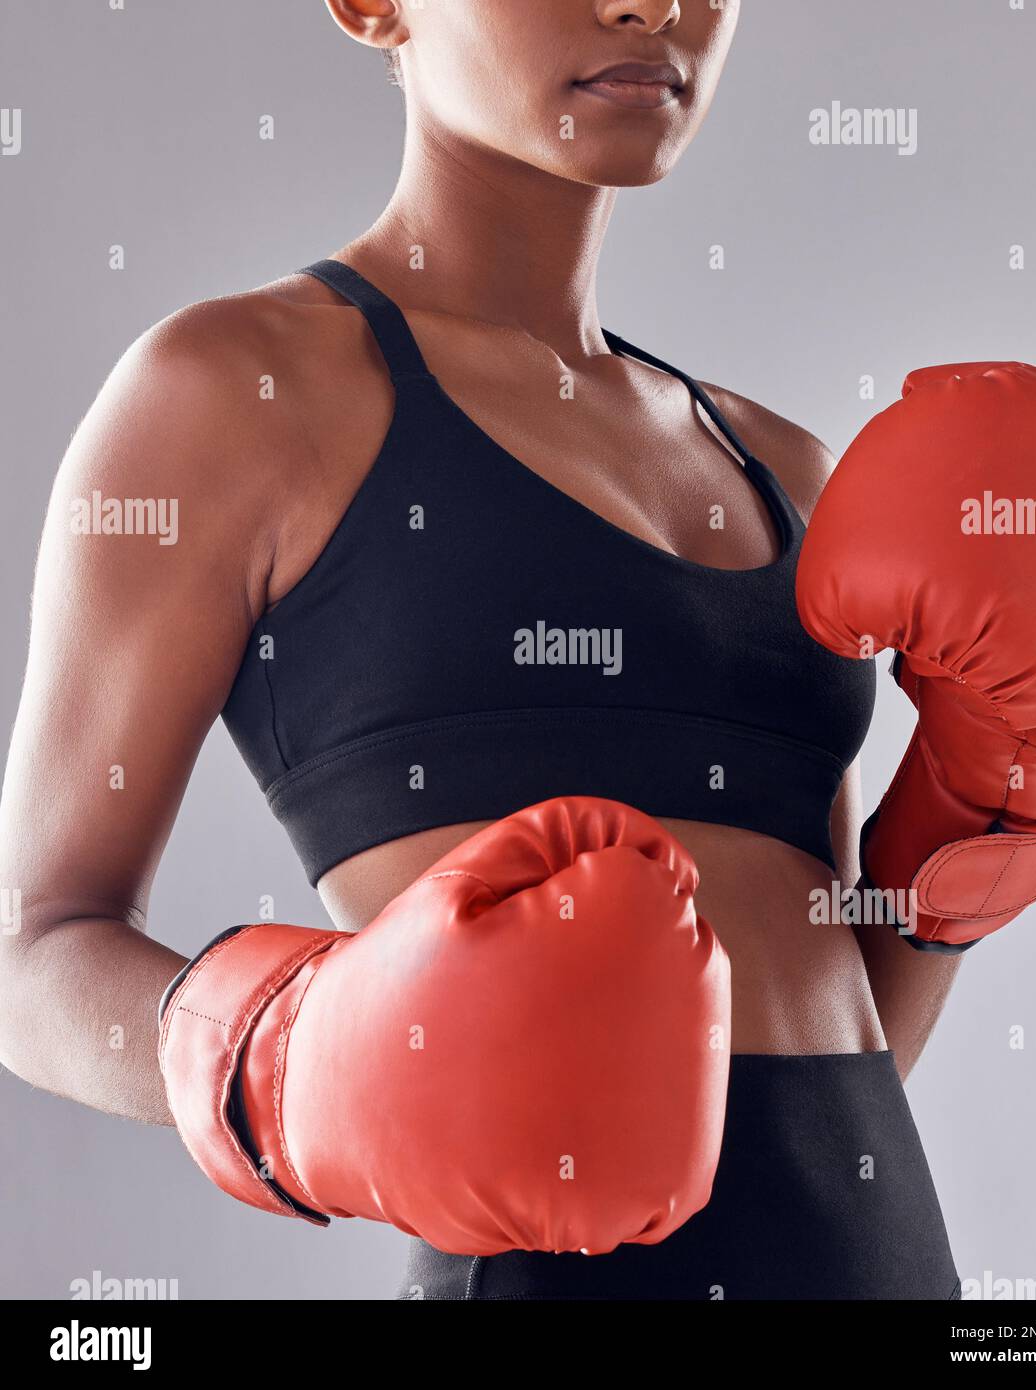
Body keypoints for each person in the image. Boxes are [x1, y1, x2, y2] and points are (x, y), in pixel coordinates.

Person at [0, 0, 969, 1300]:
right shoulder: (240, 395)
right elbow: (32, 946)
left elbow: (843, 1039)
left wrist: (983, 800)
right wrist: (285, 1058)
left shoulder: (788, 469)